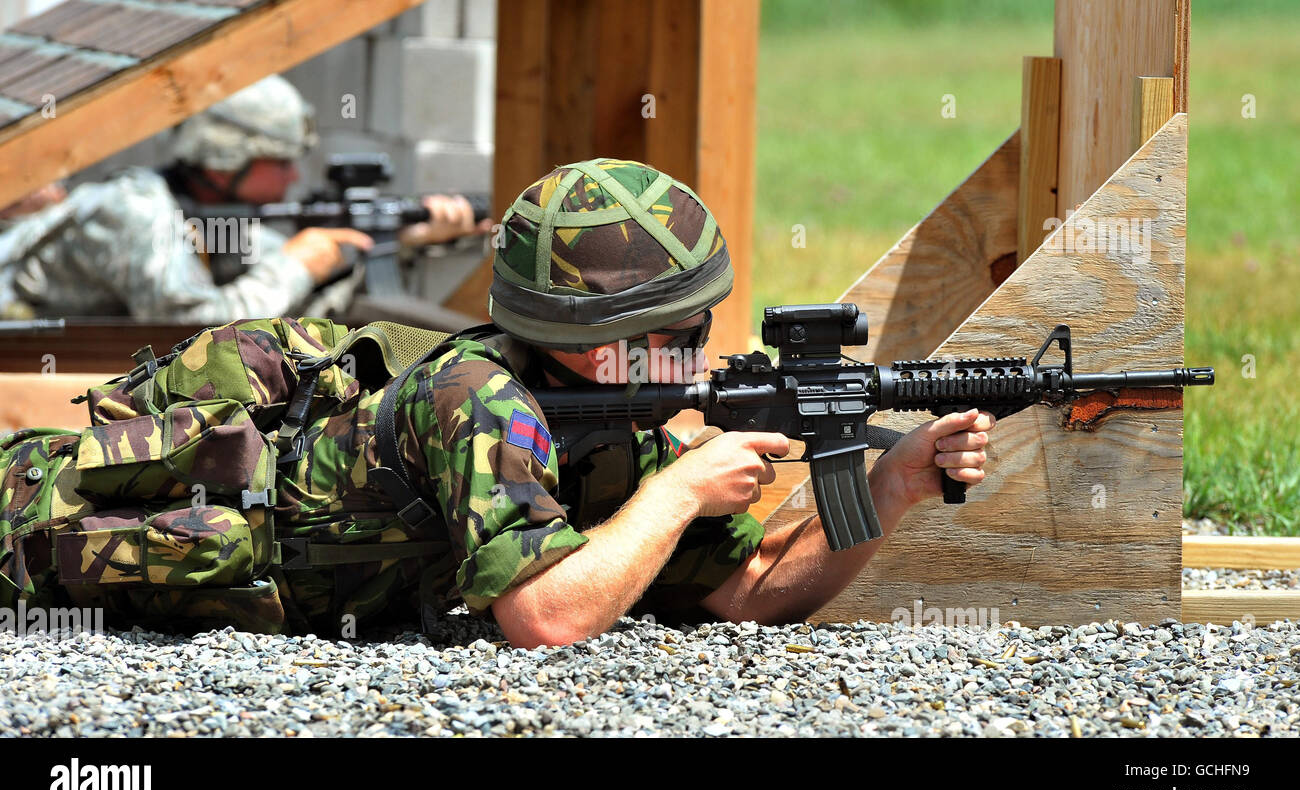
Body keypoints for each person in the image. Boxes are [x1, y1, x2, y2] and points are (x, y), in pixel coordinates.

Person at [0, 159, 993, 648]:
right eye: (680, 333)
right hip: (48, 534)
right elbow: (545, 618)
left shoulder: (611, 424)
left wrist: (894, 486)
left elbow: (749, 591)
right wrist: (681, 491)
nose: (697, 349)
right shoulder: (481, 399)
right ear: (601, 343)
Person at [0, 74, 488, 324]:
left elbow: (265, 257)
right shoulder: (139, 214)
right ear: (225, 158)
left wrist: (400, 238)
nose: (294, 175)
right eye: (278, 161)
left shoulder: (199, 207)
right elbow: (194, 327)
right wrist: (298, 265)